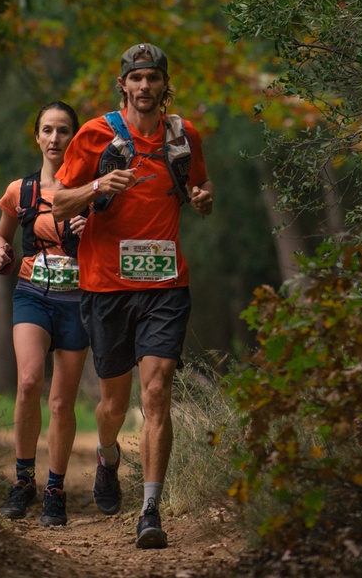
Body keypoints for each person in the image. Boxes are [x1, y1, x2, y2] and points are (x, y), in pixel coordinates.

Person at [51, 43, 214, 549]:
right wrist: (100, 183)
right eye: (136, 78)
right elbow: (58, 204)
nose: (145, 86)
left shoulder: (184, 137)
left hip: (165, 284)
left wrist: (205, 200)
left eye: (153, 78)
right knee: (113, 404)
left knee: (157, 391)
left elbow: (200, 193)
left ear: (166, 85)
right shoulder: (95, 135)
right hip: (106, 284)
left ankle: (150, 509)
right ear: (123, 85)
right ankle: (107, 457)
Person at [0, 101, 90, 527]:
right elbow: (1, 234)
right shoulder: (20, 191)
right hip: (32, 292)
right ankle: (23, 479)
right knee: (29, 382)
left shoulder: (93, 190)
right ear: (37, 136)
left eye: (64, 131)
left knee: (62, 401)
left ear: (75, 138)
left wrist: (93, 232)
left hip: (78, 299)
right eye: (47, 130)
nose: (54, 139)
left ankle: (55, 489)